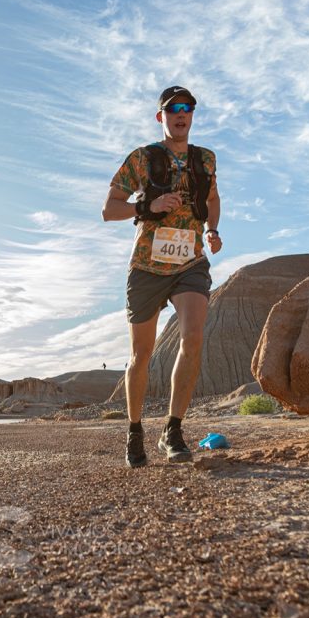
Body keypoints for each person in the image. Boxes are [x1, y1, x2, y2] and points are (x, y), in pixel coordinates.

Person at [101, 86, 222, 467]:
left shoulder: (205, 159)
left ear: (192, 115)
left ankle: (173, 430)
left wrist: (212, 230)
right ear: (161, 117)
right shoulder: (142, 158)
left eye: (187, 108)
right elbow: (109, 209)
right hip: (147, 266)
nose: (181, 114)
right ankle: (135, 431)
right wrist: (147, 205)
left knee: (193, 337)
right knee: (142, 354)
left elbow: (213, 198)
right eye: (173, 109)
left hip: (190, 263)